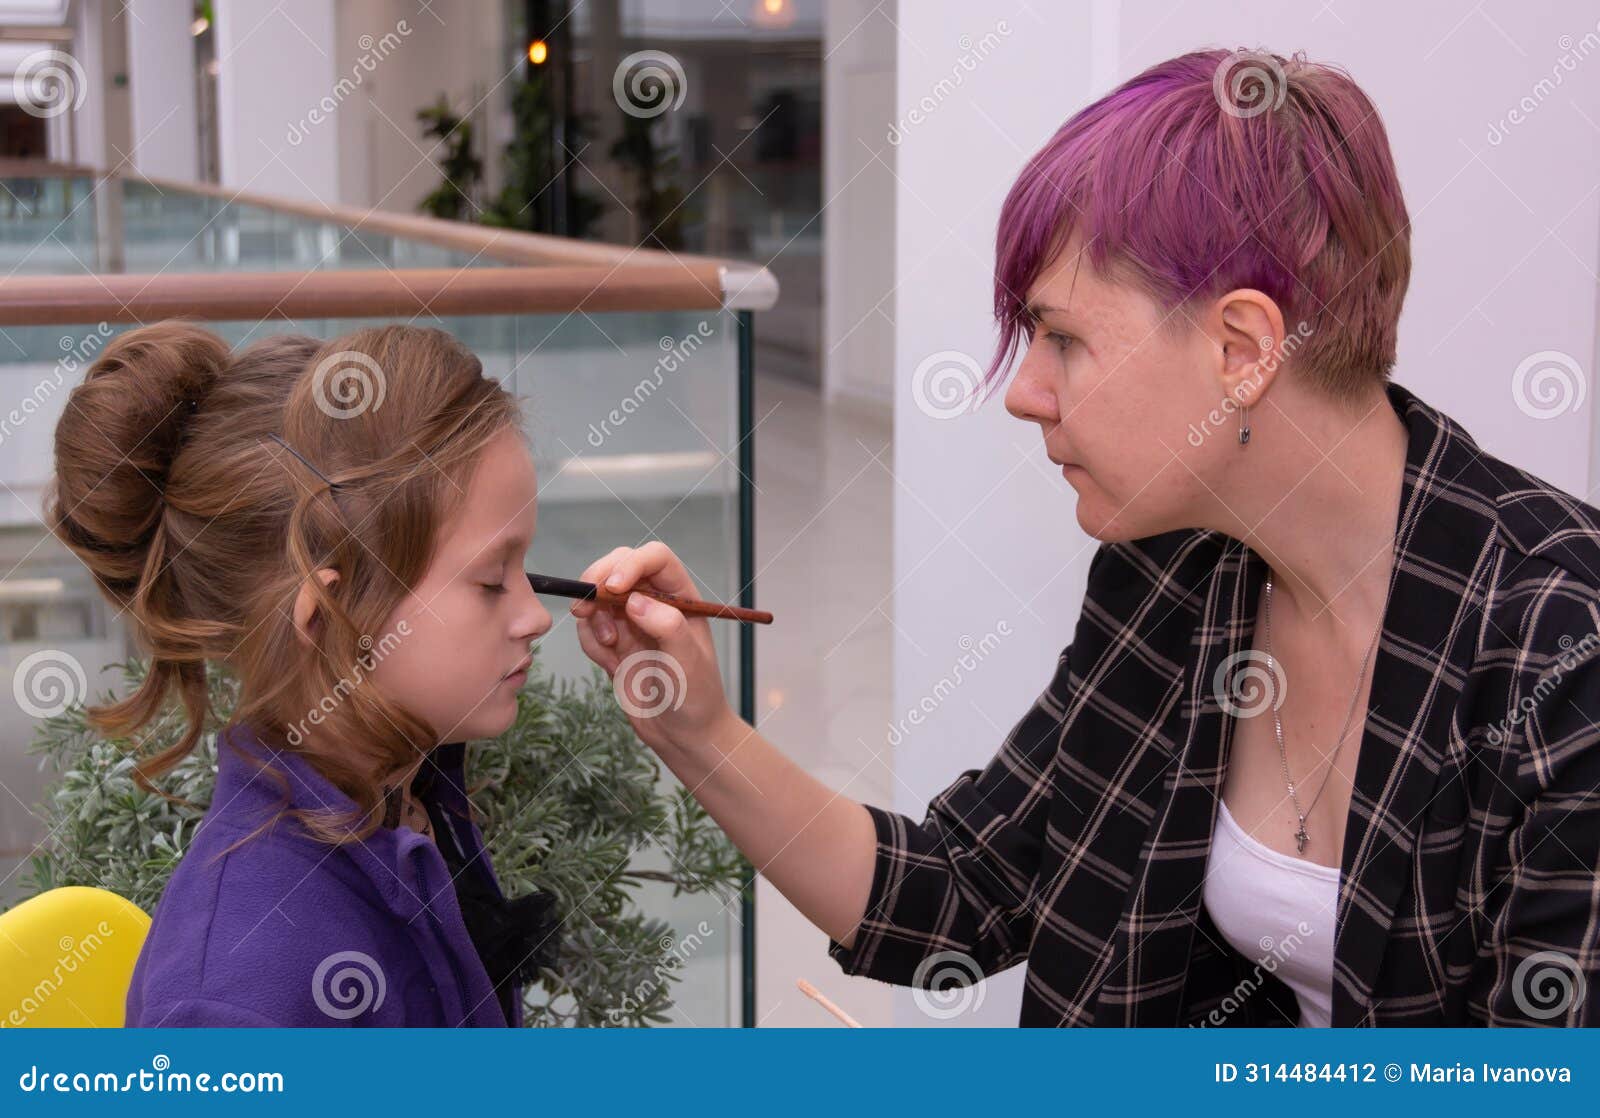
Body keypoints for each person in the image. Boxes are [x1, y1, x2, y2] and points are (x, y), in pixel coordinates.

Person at [571, 48, 1600, 1026]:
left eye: (1061, 337)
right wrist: (697, 727)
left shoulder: (1558, 642)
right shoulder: (1173, 572)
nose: (1023, 392)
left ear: (1240, 349)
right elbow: (960, 894)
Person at [46, 322, 559, 1026]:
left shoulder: (409, 796)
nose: (538, 616)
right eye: (492, 581)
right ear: (326, 615)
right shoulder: (233, 1000)